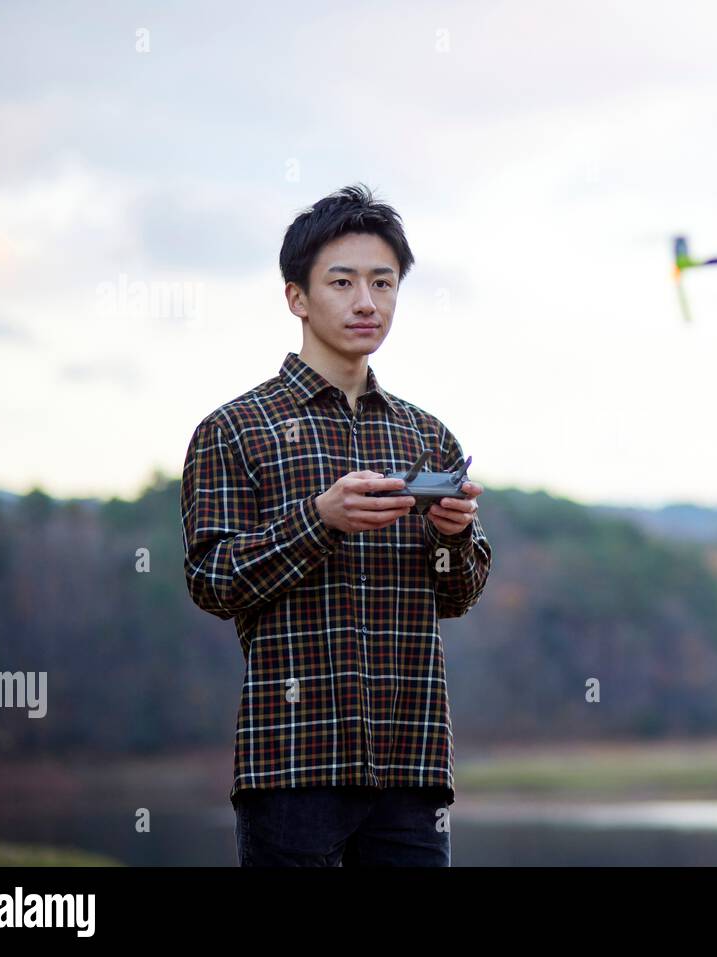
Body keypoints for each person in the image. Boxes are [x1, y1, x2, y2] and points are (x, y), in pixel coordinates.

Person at [179, 184, 491, 866]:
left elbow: (457, 594)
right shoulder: (235, 429)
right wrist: (320, 520)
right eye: (342, 282)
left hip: (412, 764)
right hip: (291, 763)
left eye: (383, 283)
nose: (366, 302)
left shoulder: (426, 434)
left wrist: (453, 534)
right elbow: (210, 580)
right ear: (297, 296)